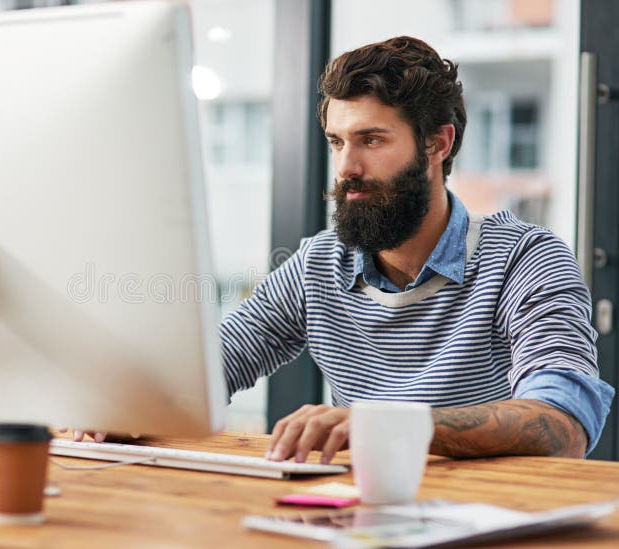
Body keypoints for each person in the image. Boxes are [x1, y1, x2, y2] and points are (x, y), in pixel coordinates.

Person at [219, 36, 615, 464]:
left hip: (494, 516)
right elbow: (209, 369)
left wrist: (394, 427)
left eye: (371, 140)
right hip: (364, 514)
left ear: (437, 144)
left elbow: (563, 425)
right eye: (337, 142)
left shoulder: (525, 259)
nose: (346, 167)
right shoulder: (317, 264)